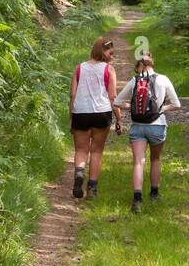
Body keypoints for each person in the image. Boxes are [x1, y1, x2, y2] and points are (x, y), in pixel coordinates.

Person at [114, 51, 181, 213]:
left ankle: (137, 199)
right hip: (157, 125)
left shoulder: (135, 80)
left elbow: (116, 102)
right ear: (152, 64)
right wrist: (160, 108)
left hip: (137, 126)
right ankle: (154, 193)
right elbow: (176, 104)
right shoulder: (163, 79)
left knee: (138, 162)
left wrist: (132, 106)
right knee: (155, 159)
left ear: (140, 65)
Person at [69, 36, 121, 199]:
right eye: (110, 53)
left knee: (80, 149)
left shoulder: (79, 68)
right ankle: (92, 188)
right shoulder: (109, 70)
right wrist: (119, 118)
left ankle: (79, 173)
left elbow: (73, 95)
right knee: (97, 151)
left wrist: (71, 117)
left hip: (81, 112)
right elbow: (113, 97)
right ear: (103, 52)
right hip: (101, 112)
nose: (112, 57)